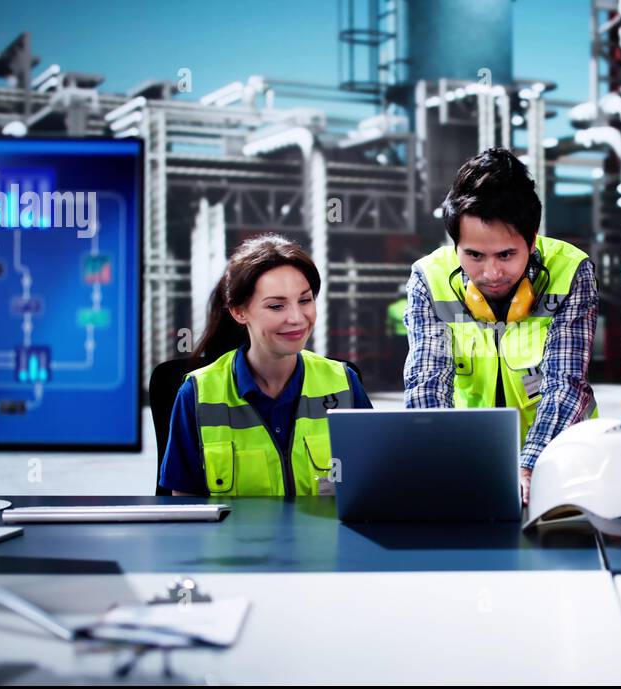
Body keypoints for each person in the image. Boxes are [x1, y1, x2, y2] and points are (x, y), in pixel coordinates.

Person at [403, 148, 598, 504]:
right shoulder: (428, 278)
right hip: (466, 460)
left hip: (562, 460)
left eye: (506, 255)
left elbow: (566, 384)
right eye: (474, 255)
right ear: (455, 244)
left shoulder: (572, 270)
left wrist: (529, 467)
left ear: (532, 240)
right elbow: (427, 383)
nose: (491, 273)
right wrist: (444, 459)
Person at [161, 233, 371, 497]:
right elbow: (187, 511)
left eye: (305, 300)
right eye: (276, 306)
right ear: (239, 312)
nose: (296, 318)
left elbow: (370, 490)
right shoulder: (197, 394)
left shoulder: (344, 384)